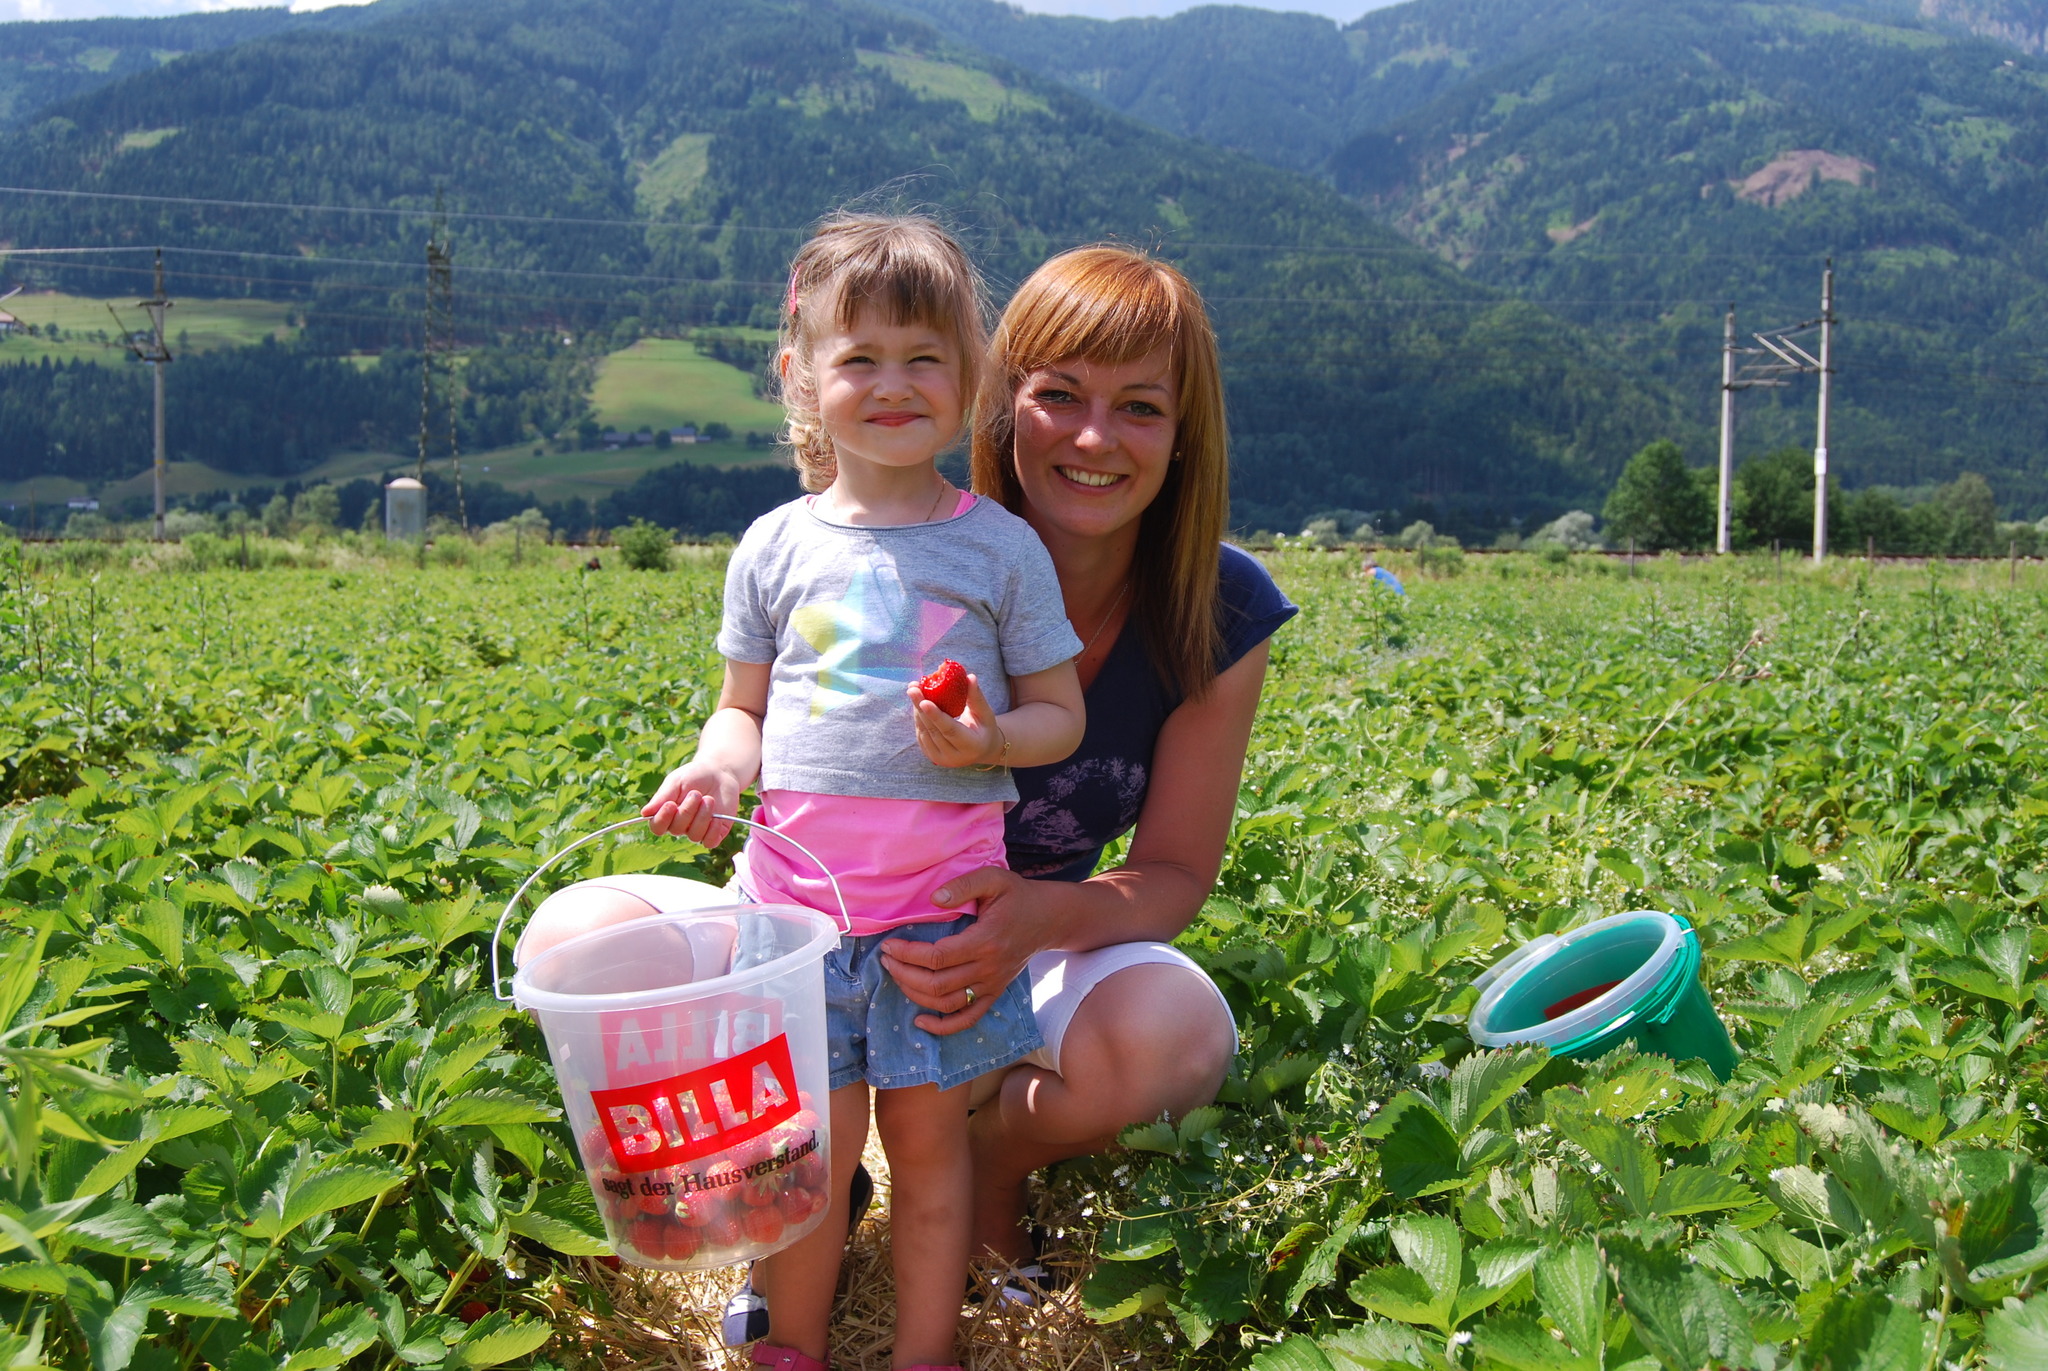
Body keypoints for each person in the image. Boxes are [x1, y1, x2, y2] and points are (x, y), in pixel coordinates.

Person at [532, 214, 1086, 1371]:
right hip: (792, 920)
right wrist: (713, 770)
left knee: (928, 1154)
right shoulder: (775, 547)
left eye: (924, 358)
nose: (894, 385)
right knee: (807, 1157)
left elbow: (1059, 716)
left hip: (939, 919)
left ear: (968, 375)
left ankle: (922, 1351)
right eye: (860, 360)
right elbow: (742, 710)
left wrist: (987, 737)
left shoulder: (997, 552)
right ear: (799, 376)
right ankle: (795, 1347)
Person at [874, 245, 1297, 1283]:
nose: (1095, 438)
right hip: (861, 933)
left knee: (1172, 1037)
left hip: (1031, 946)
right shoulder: (902, 558)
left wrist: (1038, 915)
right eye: (1058, 395)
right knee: (587, 938)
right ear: (1003, 405)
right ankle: (823, 1188)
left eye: (1141, 408)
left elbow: (1173, 873)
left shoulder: (1215, 607)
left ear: (1184, 435)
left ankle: (989, 1162)